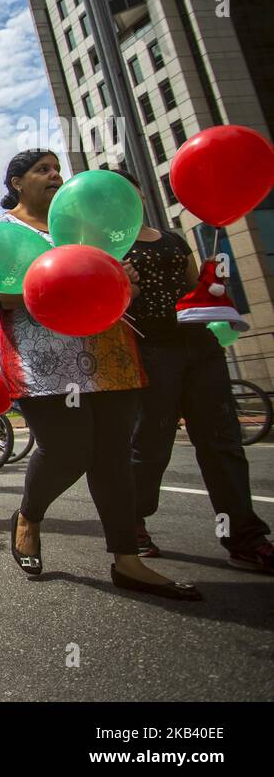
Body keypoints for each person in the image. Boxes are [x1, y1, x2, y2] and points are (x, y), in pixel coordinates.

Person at [0, 150, 199, 599]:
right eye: (42, 169)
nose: (55, 175)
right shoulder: (2, 233)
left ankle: (127, 560)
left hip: (108, 349)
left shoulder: (84, 224)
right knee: (68, 451)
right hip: (44, 363)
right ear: (16, 183)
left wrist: (123, 282)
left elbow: (116, 281)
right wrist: (53, 284)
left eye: (57, 168)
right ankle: (29, 516)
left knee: (114, 456)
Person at [115, 168, 272, 573]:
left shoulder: (173, 239)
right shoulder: (108, 249)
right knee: (150, 444)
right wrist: (122, 284)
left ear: (142, 197)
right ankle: (132, 521)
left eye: (131, 193)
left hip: (200, 346)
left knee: (222, 440)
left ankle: (245, 537)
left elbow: (193, 290)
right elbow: (108, 311)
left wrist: (213, 288)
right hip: (151, 350)